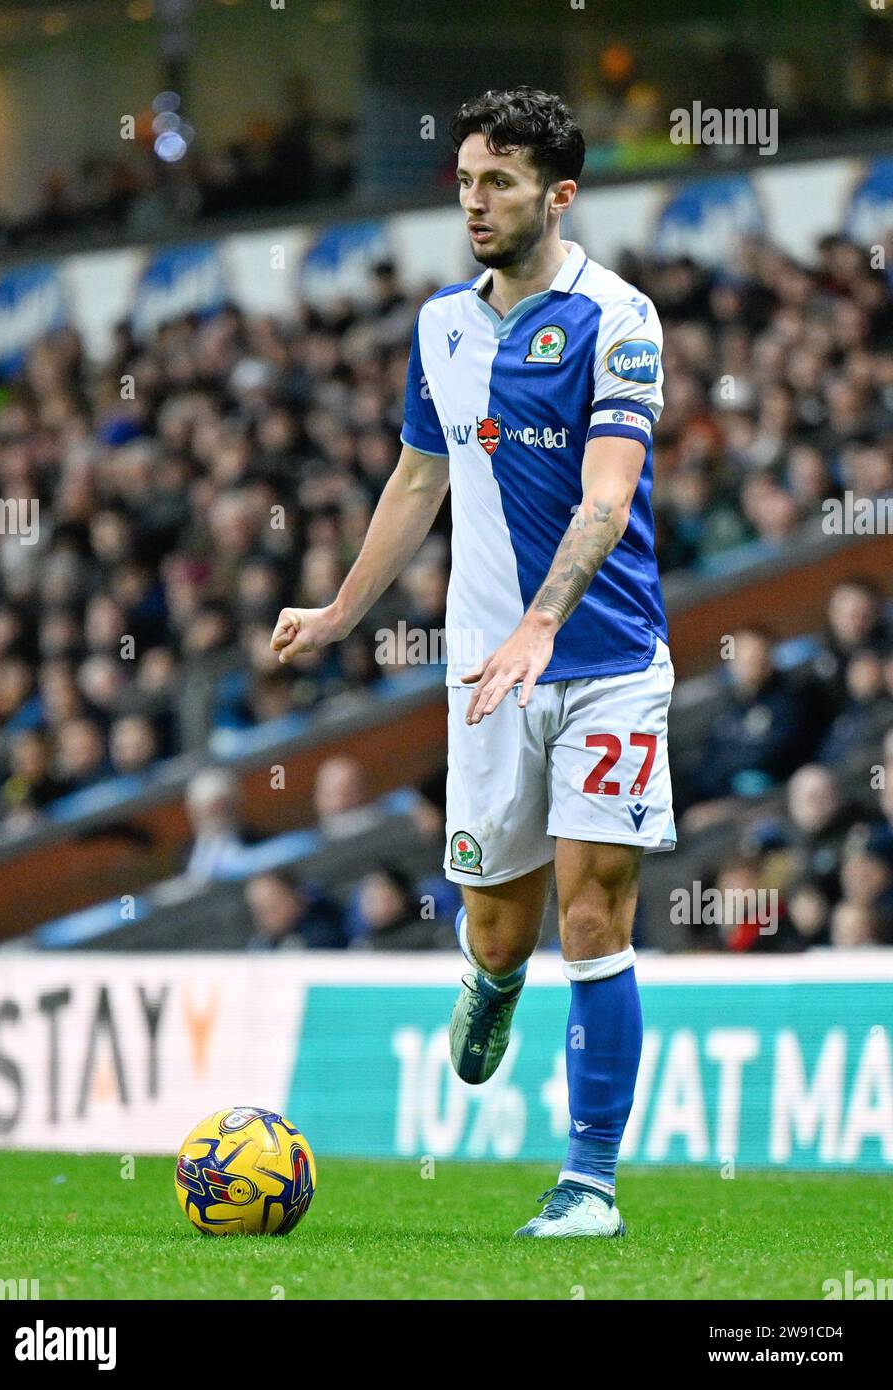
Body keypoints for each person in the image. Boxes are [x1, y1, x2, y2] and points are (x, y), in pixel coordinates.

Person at [271, 87, 675, 1239]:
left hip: (603, 661)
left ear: (559, 192)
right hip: (483, 680)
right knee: (502, 931)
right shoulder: (442, 324)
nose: (474, 202)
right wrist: (344, 611)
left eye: (499, 182)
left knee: (593, 915)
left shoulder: (619, 319)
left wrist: (544, 620)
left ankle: (587, 1183)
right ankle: (491, 985)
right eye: (463, 181)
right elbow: (417, 479)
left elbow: (605, 497)